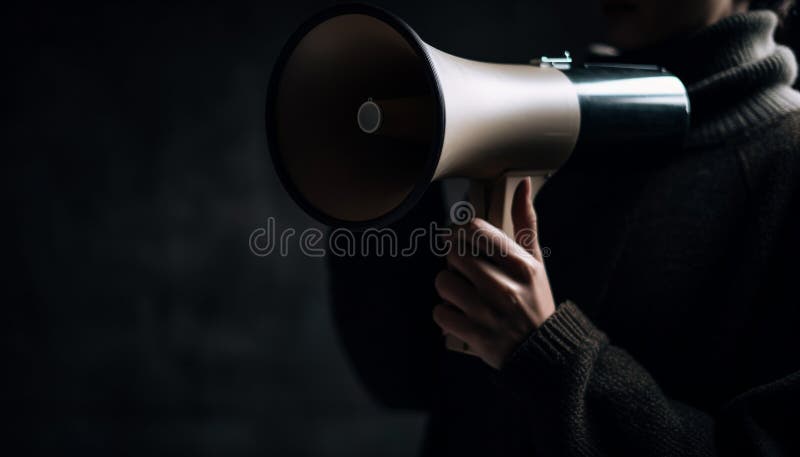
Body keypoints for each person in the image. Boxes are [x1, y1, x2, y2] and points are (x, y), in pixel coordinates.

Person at [328, 0, 800, 455]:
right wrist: (388, 190)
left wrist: (546, 353)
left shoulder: (788, 160)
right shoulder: (555, 110)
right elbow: (404, 381)